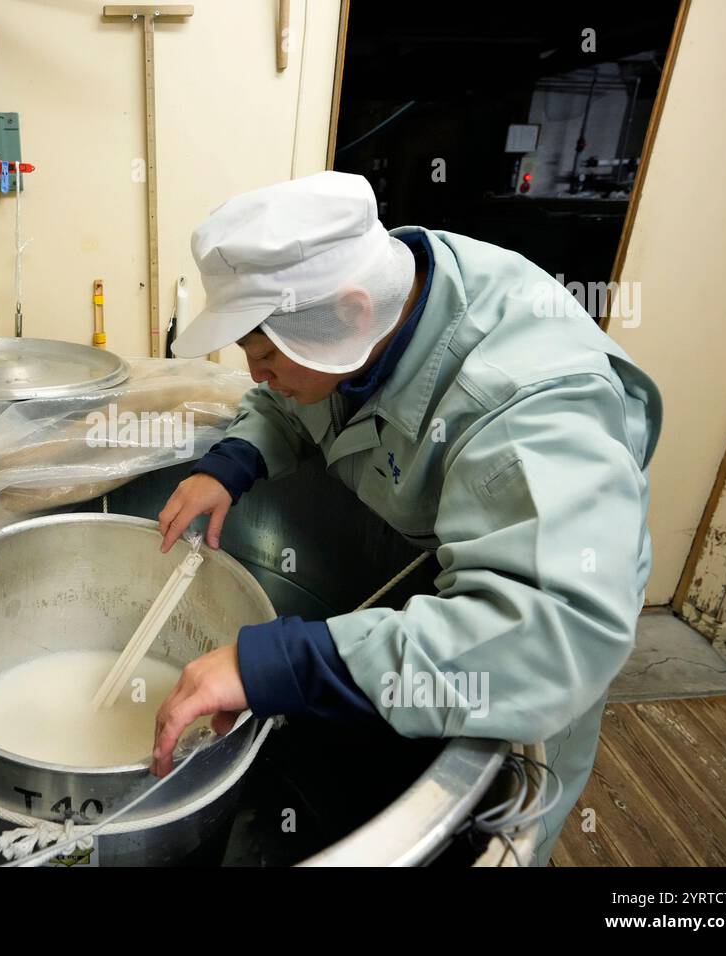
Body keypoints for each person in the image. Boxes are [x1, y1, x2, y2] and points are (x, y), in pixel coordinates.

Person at [150, 171, 662, 866]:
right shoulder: (380, 296)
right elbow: (292, 394)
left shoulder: (530, 404)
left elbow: (549, 636)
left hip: (520, 662)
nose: (259, 373)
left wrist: (284, 663)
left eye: (266, 355)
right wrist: (235, 460)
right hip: (427, 608)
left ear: (352, 315)